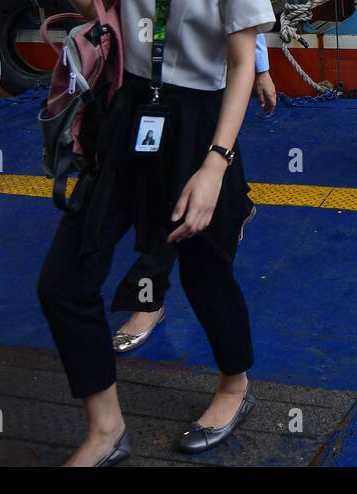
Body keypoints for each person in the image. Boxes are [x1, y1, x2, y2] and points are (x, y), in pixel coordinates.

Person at [35, 0, 275, 465]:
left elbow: (237, 66)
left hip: (200, 121)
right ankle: (106, 429)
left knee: (204, 273)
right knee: (64, 281)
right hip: (130, 114)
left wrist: (215, 165)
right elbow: (123, 18)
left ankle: (234, 384)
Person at [111, 33, 275, 354]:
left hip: (203, 91)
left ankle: (147, 300)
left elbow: (245, 9)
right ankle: (239, 202)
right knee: (164, 185)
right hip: (146, 90)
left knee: (171, 202)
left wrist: (261, 68)